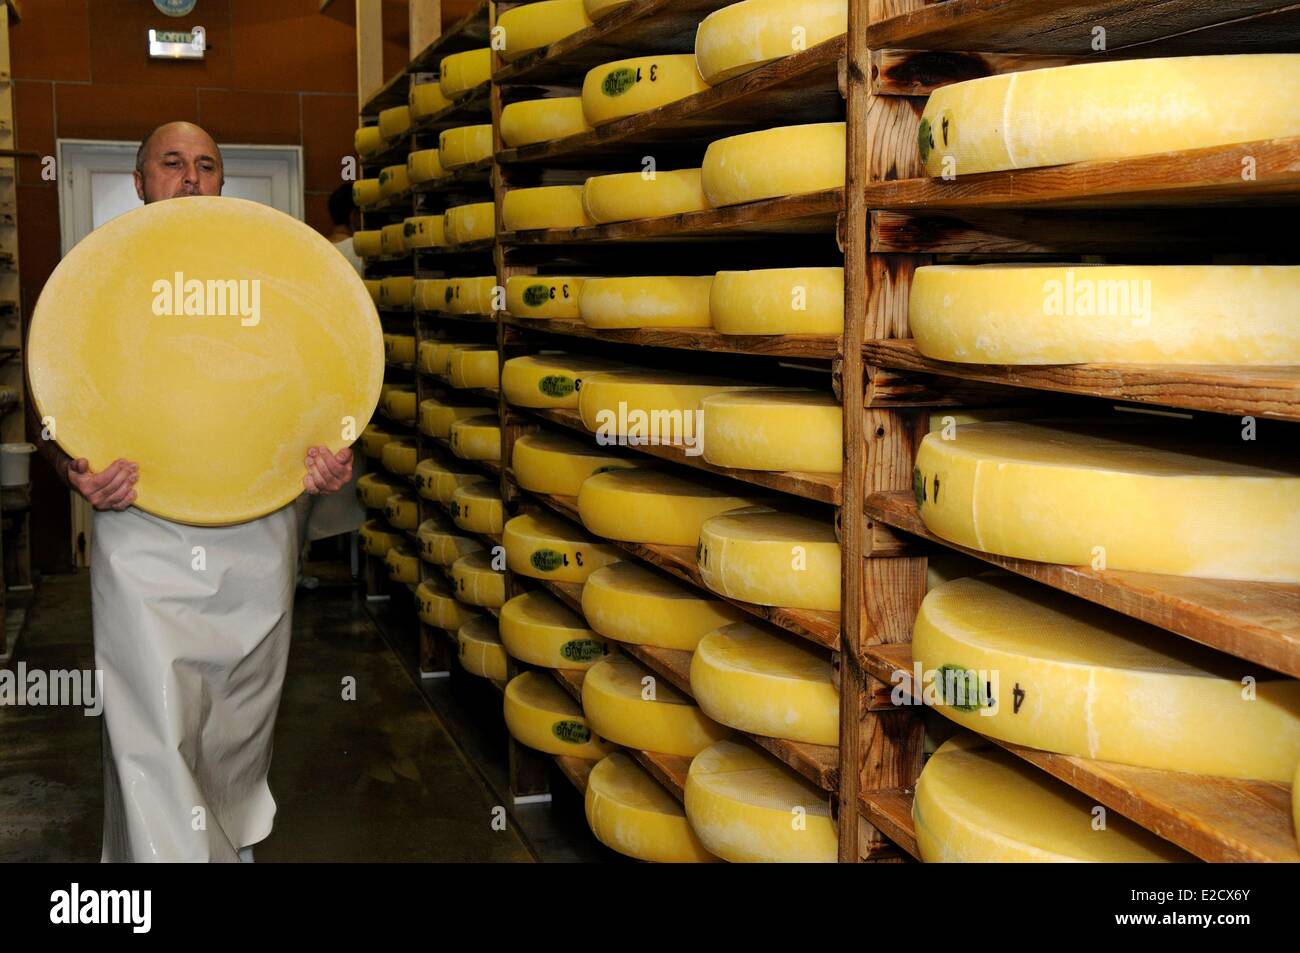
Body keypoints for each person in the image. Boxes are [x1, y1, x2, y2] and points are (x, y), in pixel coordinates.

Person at [27, 121, 358, 862]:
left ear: (221, 182)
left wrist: (327, 459)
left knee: (232, 737)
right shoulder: (98, 285)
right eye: (171, 163)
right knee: (151, 733)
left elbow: (322, 393)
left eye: (206, 165)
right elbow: (54, 419)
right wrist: (74, 471)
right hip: (143, 537)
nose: (190, 177)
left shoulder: (271, 283)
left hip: (256, 540)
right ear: (140, 183)